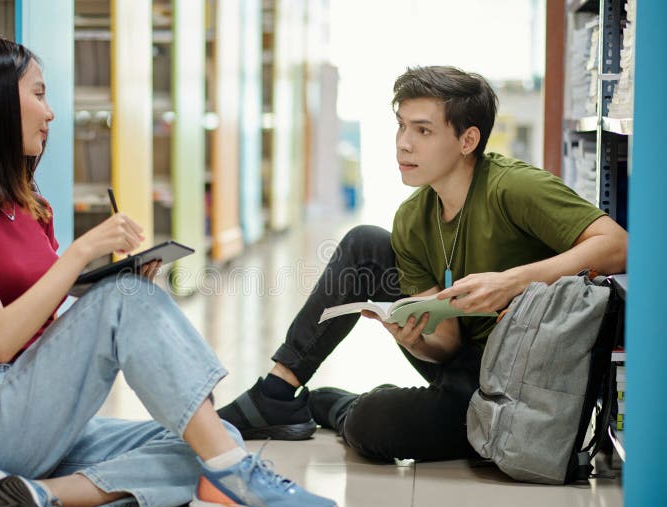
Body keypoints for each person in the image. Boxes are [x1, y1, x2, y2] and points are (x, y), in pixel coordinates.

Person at [0, 35, 337, 507]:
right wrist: (82, 257)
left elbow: (42, 321)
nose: (50, 112)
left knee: (215, 438)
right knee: (135, 323)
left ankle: (34, 493)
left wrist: (106, 289)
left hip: (36, 414)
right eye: (38, 94)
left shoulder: (30, 206)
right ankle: (236, 480)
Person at [218, 66, 628, 462]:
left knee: (371, 423)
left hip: (520, 380)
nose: (404, 143)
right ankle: (276, 392)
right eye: (401, 126)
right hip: (465, 366)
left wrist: (512, 282)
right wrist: (414, 340)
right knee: (366, 243)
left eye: (423, 130)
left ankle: (340, 406)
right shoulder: (414, 216)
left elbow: (617, 245)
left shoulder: (514, 187)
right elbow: (446, 344)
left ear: (468, 140)